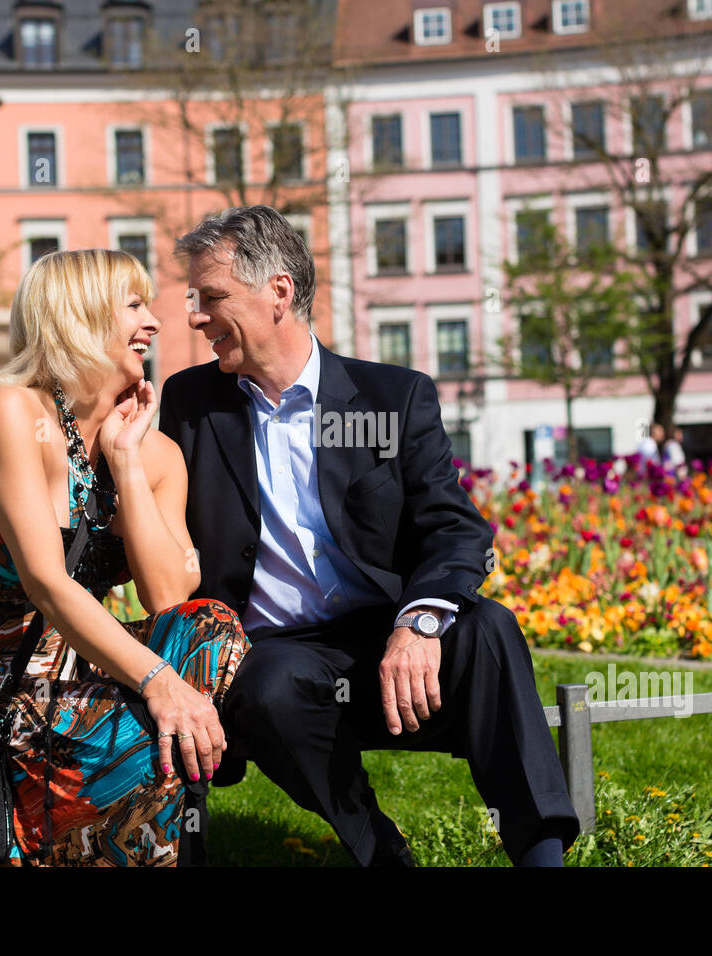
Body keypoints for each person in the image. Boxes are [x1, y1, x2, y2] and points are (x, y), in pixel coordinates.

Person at [159, 205, 580, 867]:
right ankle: (382, 852)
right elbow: (155, 531)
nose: (195, 316)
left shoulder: (392, 399)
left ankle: (541, 856)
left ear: (278, 293)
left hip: (389, 638)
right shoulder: (189, 403)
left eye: (212, 297)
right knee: (267, 687)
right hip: (276, 656)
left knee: (489, 629)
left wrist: (418, 624)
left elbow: (454, 528)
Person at [0, 248, 248, 866]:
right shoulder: (13, 411)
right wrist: (160, 684)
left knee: (210, 624)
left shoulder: (154, 454)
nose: (154, 323)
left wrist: (127, 462)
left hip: (90, 673)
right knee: (152, 713)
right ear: (78, 314)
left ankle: (103, 833)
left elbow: (168, 598)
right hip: (0, 687)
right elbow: (47, 584)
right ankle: (121, 837)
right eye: (134, 305)